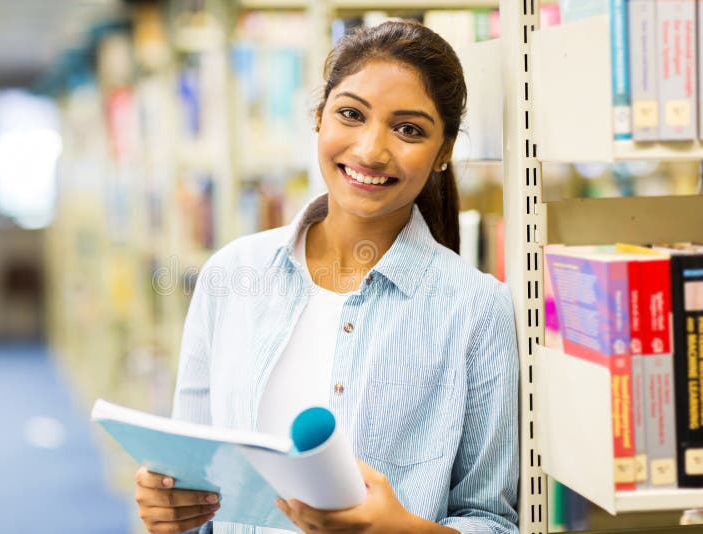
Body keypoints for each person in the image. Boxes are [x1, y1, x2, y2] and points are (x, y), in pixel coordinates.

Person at [135, 20, 519, 534]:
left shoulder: (476, 309)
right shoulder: (231, 274)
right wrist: (170, 509)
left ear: (444, 151)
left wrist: (398, 529)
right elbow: (195, 484)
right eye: (351, 114)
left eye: (409, 129)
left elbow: (492, 522)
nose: (370, 150)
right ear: (318, 118)